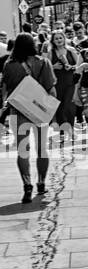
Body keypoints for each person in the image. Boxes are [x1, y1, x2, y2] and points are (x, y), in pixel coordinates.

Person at [1, 32, 56, 202]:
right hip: (39, 111)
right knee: (41, 149)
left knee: (23, 151)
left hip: (18, 111)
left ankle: (27, 186)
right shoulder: (43, 62)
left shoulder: (9, 65)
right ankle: (41, 183)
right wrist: (51, 112)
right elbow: (51, 90)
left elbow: (6, 89)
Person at [48, 29, 81, 139]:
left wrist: (71, 67)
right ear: (52, 40)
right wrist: (54, 67)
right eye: (56, 38)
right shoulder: (50, 53)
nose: (59, 40)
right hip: (57, 83)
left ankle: (70, 129)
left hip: (70, 82)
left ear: (64, 39)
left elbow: (78, 65)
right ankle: (62, 131)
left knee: (69, 107)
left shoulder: (71, 50)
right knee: (60, 108)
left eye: (60, 38)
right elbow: (46, 68)